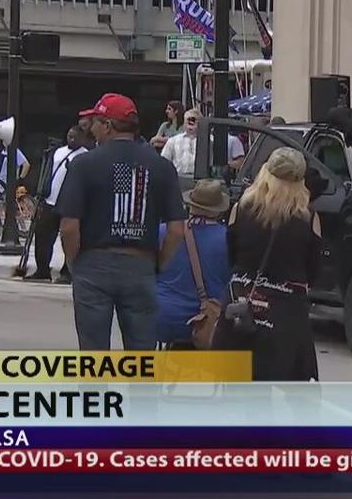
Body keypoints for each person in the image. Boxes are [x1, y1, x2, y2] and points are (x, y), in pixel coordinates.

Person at [58, 93, 187, 350]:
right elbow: (177, 229)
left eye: (95, 121)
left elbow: (69, 225)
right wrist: (159, 261)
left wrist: (74, 261)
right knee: (141, 354)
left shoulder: (84, 165)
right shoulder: (161, 166)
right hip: (140, 263)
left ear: (107, 126)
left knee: (93, 353)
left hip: (94, 262)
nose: (91, 128)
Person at [212, 148, 323, 381]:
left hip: (243, 309)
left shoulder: (240, 209)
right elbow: (313, 270)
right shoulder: (308, 217)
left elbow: (231, 258)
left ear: (265, 173)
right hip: (286, 314)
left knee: (239, 386)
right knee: (294, 389)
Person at [156, 180, 232, 348]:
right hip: (206, 323)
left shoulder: (163, 232)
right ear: (218, 210)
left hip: (163, 318)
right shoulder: (228, 239)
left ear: (190, 204)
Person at [29, 125, 88, 283]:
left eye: (75, 137)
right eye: (70, 136)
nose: (72, 139)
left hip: (70, 203)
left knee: (67, 237)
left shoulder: (85, 156)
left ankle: (67, 271)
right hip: (50, 200)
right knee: (42, 235)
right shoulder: (58, 152)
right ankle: (42, 270)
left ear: (82, 139)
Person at [161, 109, 245, 177]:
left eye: (194, 121)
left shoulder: (211, 141)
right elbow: (164, 162)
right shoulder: (172, 141)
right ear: (184, 122)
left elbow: (218, 163)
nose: (191, 124)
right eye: (188, 121)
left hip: (203, 180)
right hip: (178, 178)